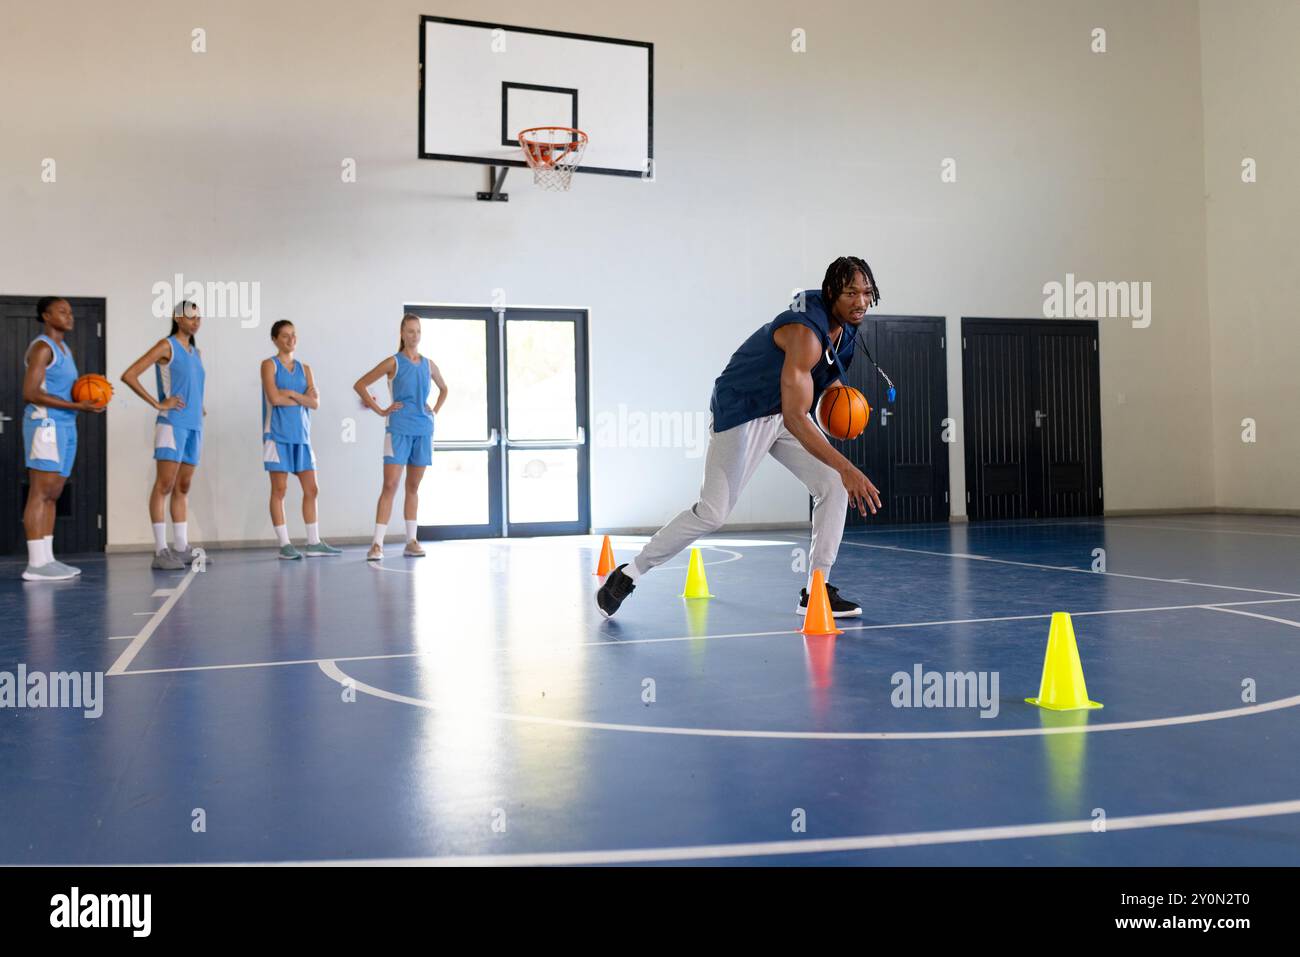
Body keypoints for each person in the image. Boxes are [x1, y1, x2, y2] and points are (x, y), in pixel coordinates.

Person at [597, 256, 884, 619]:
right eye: (850, 293)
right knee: (712, 513)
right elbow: (798, 418)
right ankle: (629, 573)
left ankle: (815, 591)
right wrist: (849, 468)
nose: (860, 301)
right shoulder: (805, 333)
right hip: (743, 410)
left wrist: (845, 412)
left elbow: (825, 384)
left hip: (781, 411)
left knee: (832, 485)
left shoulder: (847, 329)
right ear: (831, 293)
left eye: (866, 292)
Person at [20, 297, 105, 581]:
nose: (69, 316)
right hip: (45, 424)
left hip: (66, 426)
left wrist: (89, 400)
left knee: (54, 494)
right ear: (46, 315)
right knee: (39, 492)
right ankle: (35, 563)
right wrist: (77, 406)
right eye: (62, 311)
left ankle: (48, 559)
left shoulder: (64, 348)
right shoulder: (43, 348)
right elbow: (30, 393)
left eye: (70, 312)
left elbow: (67, 391)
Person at [353, 313, 448, 562]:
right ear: (402, 334)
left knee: (413, 487)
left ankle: (412, 541)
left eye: (417, 331)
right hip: (398, 430)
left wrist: (434, 410)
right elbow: (360, 384)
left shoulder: (429, 364)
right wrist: (382, 410)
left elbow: (445, 388)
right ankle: (377, 544)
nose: (414, 335)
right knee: (390, 485)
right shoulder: (392, 362)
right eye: (409, 331)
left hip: (423, 430)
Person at [120, 300, 208, 570]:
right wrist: (159, 403)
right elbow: (130, 374)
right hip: (172, 424)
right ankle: (160, 550)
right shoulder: (165, 346)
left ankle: (181, 547)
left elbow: (192, 385)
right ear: (177, 318)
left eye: (198, 317)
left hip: (194, 425)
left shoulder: (196, 352)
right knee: (165, 486)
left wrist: (198, 406)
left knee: (183, 487)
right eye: (190, 317)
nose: (196, 321)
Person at [261, 320, 340, 559]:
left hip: (302, 437)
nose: (290, 339)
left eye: (293, 335)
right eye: (285, 336)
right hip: (277, 435)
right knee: (280, 489)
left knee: (312, 489)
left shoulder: (306, 369)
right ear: (275, 339)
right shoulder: (268, 365)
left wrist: (292, 394)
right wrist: (300, 396)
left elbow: (315, 403)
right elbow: (274, 398)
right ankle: (285, 545)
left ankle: (313, 542)